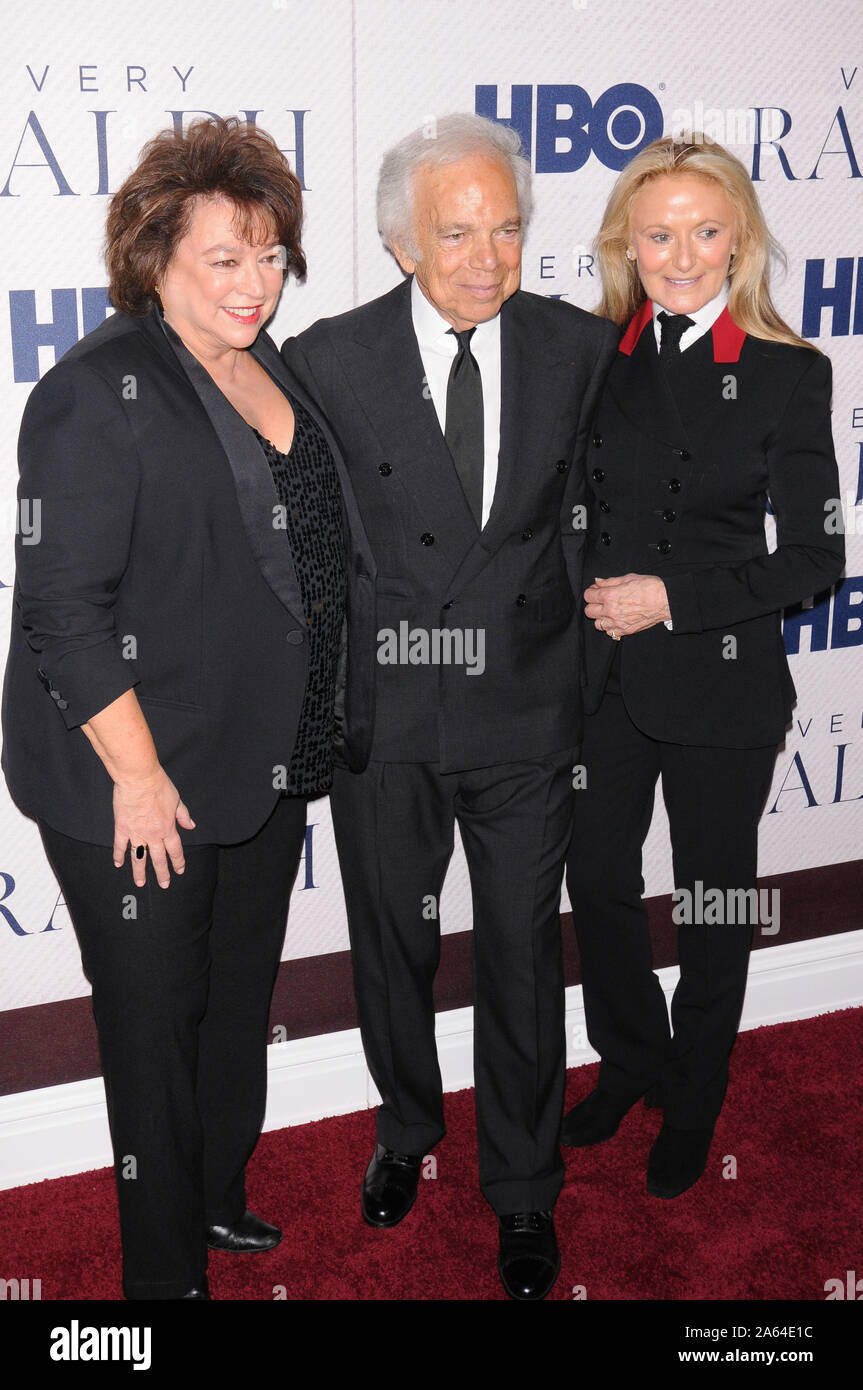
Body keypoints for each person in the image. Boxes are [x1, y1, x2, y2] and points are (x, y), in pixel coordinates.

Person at [1, 116, 374, 1299]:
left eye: (269, 254)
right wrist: (140, 776)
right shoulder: (93, 394)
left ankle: (213, 1193)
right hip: (137, 781)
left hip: (264, 759)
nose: (254, 282)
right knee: (153, 1039)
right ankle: (161, 1287)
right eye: (223, 258)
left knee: (229, 1003)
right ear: (153, 258)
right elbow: (61, 613)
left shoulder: (271, 365)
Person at [283, 112, 618, 1300]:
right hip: (392, 719)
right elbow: (303, 549)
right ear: (400, 244)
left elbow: (598, 510)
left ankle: (522, 1191)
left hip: (528, 715)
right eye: (456, 232)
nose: (485, 256)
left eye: (507, 228)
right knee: (392, 947)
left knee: (524, 956)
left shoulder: (578, 350)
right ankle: (406, 1128)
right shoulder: (325, 359)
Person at [562, 136, 845, 1199]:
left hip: (719, 680)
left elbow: (817, 556)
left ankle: (695, 1089)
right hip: (597, 681)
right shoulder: (588, 357)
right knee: (594, 882)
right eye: (657, 233)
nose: (681, 254)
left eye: (704, 230)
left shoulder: (785, 372)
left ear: (741, 239)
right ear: (624, 245)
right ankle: (630, 1057)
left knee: (714, 898)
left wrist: (673, 598)